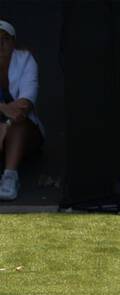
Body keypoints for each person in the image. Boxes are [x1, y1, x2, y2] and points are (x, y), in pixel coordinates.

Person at [0, 20, 45, 201]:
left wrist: (7, 124)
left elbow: (25, 104)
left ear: (13, 43)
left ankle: (10, 177)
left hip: (24, 136)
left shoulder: (25, 59)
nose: (0, 44)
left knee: (19, 121)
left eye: (5, 39)